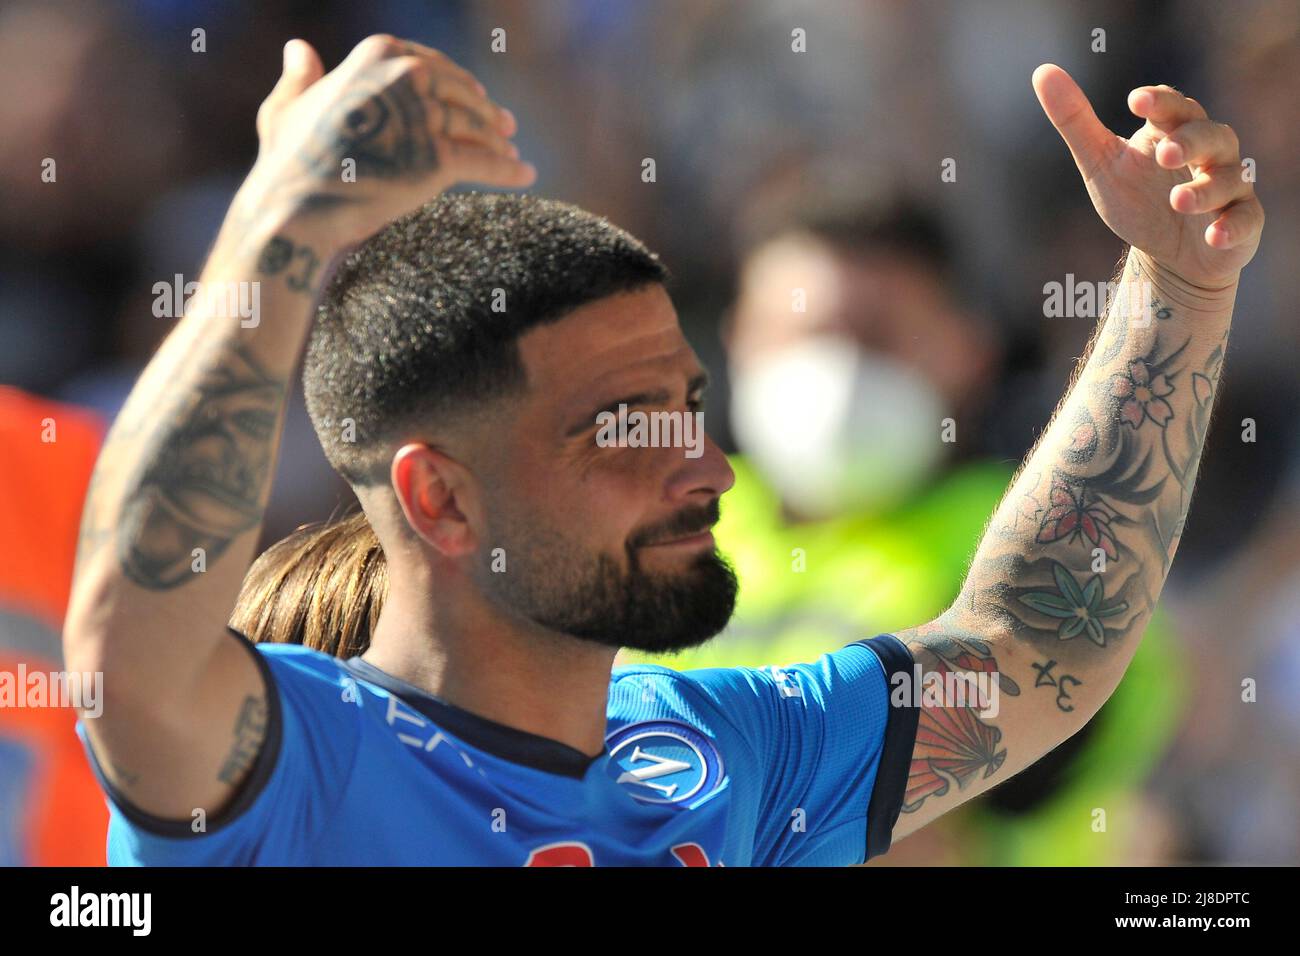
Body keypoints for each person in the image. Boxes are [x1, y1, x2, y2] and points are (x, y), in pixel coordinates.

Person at [63, 34, 1263, 865]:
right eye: (622, 428)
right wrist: (284, 219)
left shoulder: (723, 750)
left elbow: (1035, 643)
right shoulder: (292, 766)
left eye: (691, 406)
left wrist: (1179, 285)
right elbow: (132, 630)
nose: (707, 469)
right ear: (440, 498)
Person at [621, 199, 1186, 865]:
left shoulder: (1043, 548)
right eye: (799, 334)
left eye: (872, 338)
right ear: (736, 337)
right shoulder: (655, 525)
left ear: (966, 350)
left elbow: (924, 832)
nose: (832, 373)